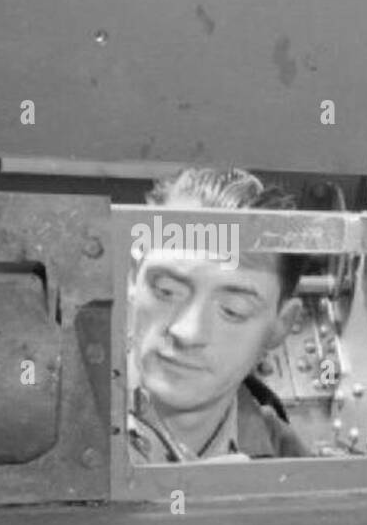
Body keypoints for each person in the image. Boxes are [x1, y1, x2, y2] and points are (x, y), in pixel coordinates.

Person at [127, 167, 311, 463]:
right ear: (132, 280)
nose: (188, 332)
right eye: (166, 291)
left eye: (231, 311)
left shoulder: (291, 467)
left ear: (280, 326)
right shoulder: (46, 434)